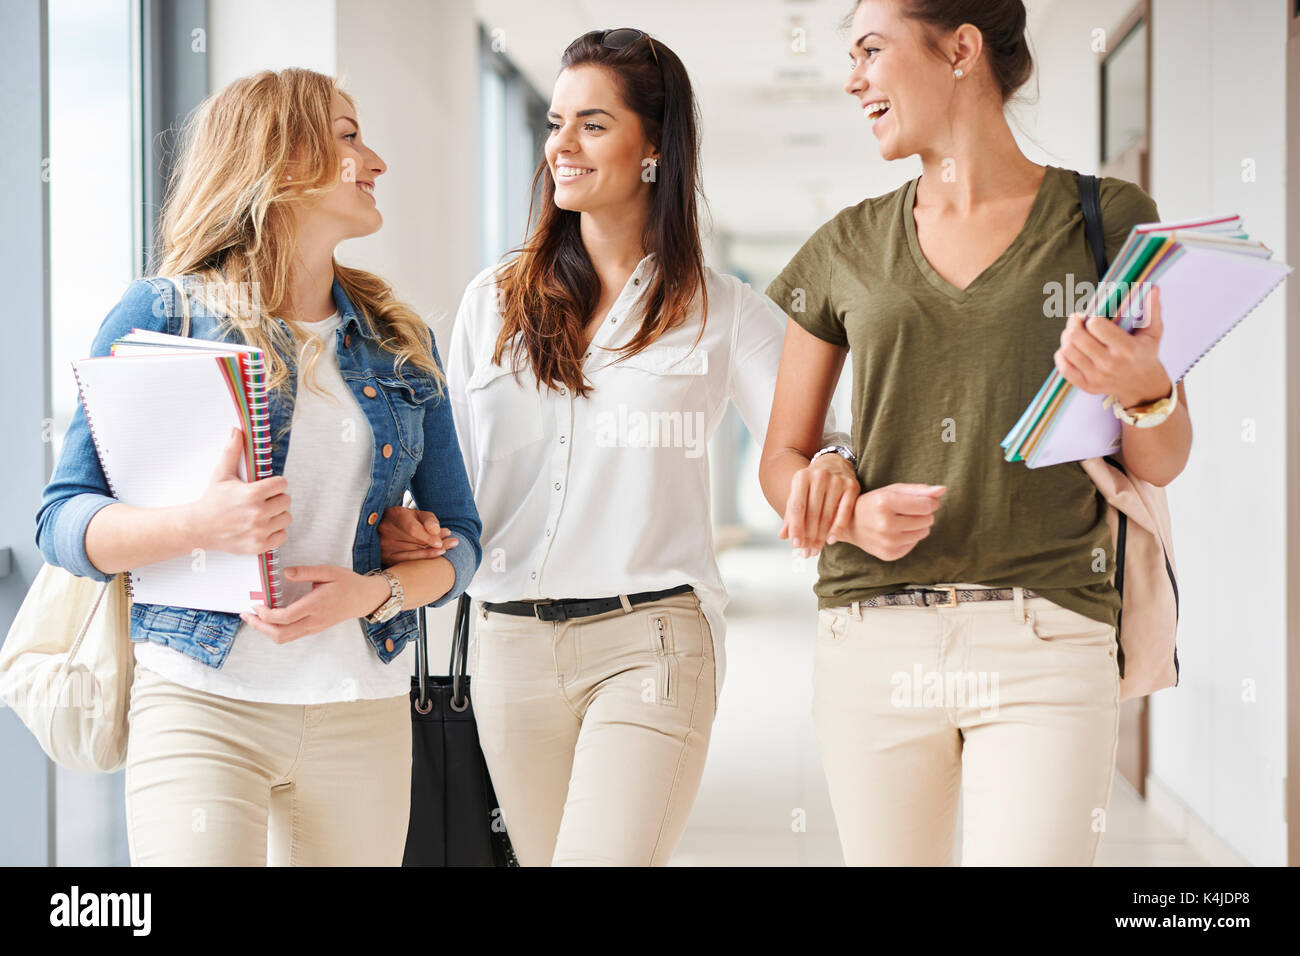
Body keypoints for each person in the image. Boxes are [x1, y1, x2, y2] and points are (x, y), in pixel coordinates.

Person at [378, 28, 845, 866]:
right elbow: (453, 486)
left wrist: (833, 468)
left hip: (652, 642)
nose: (560, 144)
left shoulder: (720, 308)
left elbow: (819, 429)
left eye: (593, 124)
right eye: (556, 122)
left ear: (655, 147)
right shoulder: (492, 303)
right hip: (508, 644)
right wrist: (414, 528)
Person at [759, 0, 1192, 865]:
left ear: (960, 49)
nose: (852, 79)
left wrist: (1148, 388)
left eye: (871, 51)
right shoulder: (846, 245)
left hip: (1049, 634)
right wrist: (847, 515)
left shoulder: (1103, 218)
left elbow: (1165, 461)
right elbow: (784, 459)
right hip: (873, 635)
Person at [35, 68, 481, 866]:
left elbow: (466, 544)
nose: (375, 160)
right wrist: (195, 526)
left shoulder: (399, 338)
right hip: (203, 700)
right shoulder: (164, 312)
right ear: (281, 162)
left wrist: (380, 584)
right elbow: (63, 520)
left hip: (359, 705)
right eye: (349, 137)